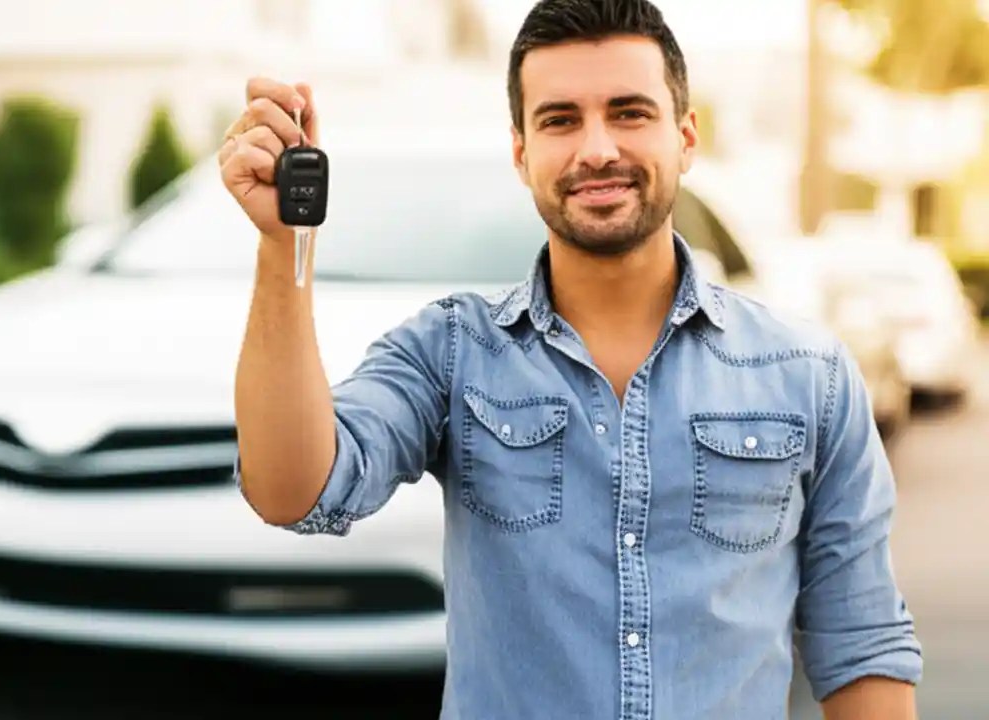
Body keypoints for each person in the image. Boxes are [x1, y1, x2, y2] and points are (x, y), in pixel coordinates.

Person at [216, 0, 922, 717]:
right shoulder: (451, 353)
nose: (596, 149)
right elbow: (292, 489)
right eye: (560, 120)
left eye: (629, 112)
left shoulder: (809, 375)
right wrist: (283, 245)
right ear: (521, 152)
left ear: (685, 137)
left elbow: (861, 646)